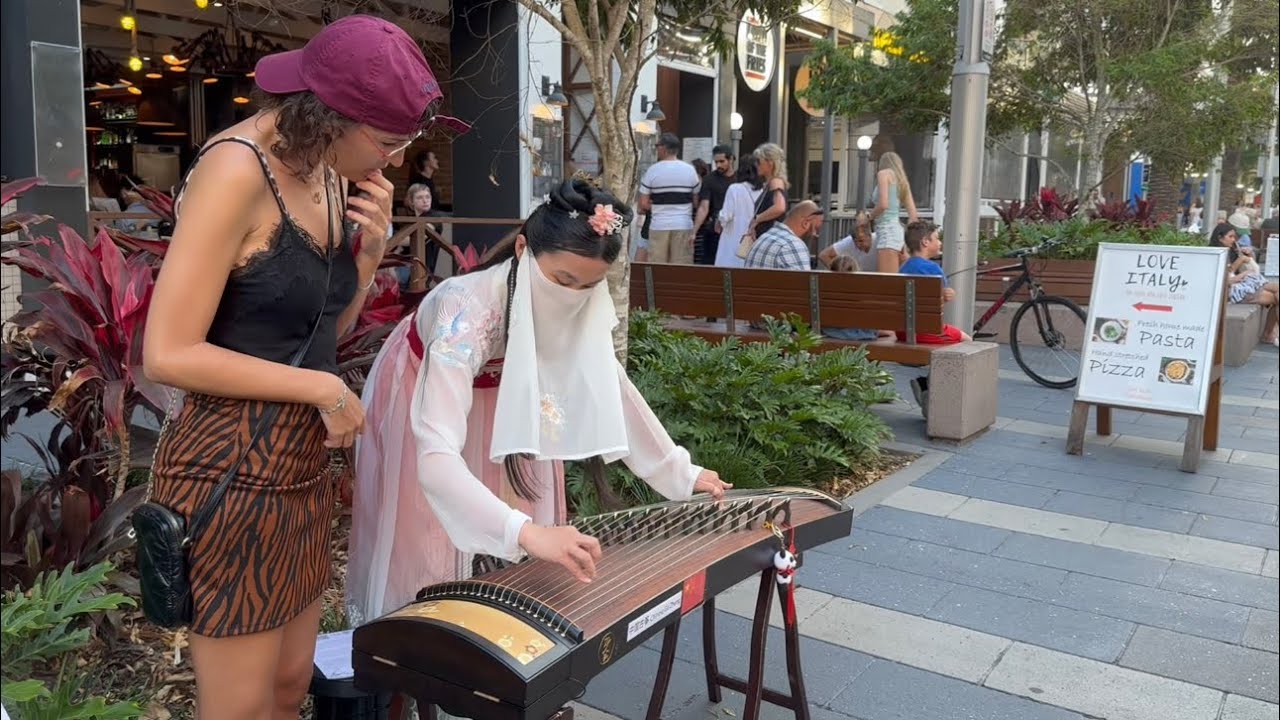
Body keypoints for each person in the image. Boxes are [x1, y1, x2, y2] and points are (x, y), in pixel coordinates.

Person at [140, 15, 467, 719]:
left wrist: (370, 256)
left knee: (291, 689)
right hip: (229, 470)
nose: (393, 162)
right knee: (240, 707)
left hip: (299, 470)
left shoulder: (322, 171)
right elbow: (166, 352)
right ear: (330, 117)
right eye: (386, 142)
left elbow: (314, 331)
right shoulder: (236, 169)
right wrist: (321, 389)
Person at [346, 178, 731, 630]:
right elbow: (435, 455)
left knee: (525, 517)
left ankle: (510, 636)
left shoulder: (578, 297)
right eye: (561, 279)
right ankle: (420, 646)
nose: (571, 296)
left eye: (588, 285)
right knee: (430, 531)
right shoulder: (466, 311)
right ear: (522, 249)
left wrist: (680, 472)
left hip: (510, 396)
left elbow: (609, 385)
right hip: (424, 390)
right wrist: (528, 534)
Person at [897, 221, 972, 417]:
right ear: (925, 242)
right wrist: (948, 294)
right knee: (967, 340)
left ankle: (927, 386)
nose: (939, 242)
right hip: (925, 331)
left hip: (902, 330)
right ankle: (930, 387)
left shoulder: (903, 267)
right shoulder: (933, 271)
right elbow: (938, 303)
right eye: (937, 238)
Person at [1209, 222, 1279, 346]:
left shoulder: (1229, 251)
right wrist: (1242, 272)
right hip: (1234, 291)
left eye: (1234, 237)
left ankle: (1269, 334)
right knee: (1275, 298)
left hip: (1244, 284)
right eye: (1230, 236)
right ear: (1220, 237)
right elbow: (1224, 280)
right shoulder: (1214, 255)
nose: (1233, 239)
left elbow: (1233, 270)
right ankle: (1268, 334)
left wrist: (1246, 255)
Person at [637, 133, 700, 264]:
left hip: (659, 225)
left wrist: (659, 207)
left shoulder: (652, 171)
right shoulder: (690, 170)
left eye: (657, 146)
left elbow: (643, 204)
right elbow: (696, 201)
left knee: (657, 267)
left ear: (663, 148)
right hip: (683, 225)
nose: (656, 149)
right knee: (681, 268)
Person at [869, 151, 919, 273]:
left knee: (886, 282)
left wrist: (868, 217)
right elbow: (913, 216)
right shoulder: (902, 182)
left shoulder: (883, 174)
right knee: (896, 280)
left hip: (886, 232)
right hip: (897, 232)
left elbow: (883, 204)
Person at [743, 200, 824, 271]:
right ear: (805, 223)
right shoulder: (793, 245)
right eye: (816, 228)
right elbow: (804, 286)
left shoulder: (763, 238)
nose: (815, 234)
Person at [715, 156, 765, 268]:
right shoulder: (763, 190)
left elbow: (726, 216)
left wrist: (718, 219)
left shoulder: (735, 189)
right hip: (753, 237)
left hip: (733, 237)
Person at [693, 145, 735, 265]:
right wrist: (694, 231)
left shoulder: (740, 179)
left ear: (731, 159)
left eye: (722, 161)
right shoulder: (709, 179)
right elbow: (703, 207)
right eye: (716, 162)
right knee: (710, 264)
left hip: (734, 229)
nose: (718, 165)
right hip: (713, 230)